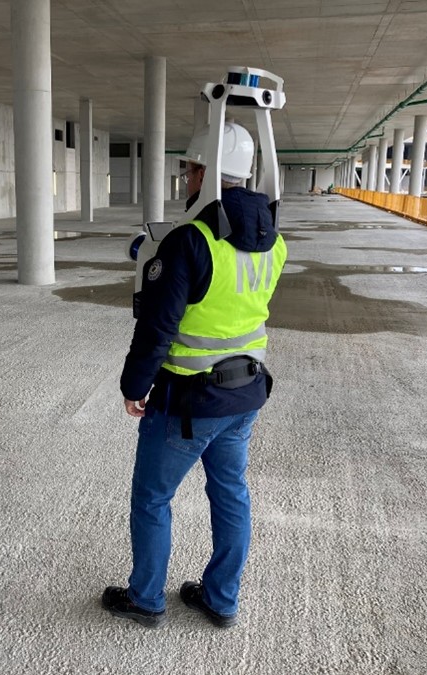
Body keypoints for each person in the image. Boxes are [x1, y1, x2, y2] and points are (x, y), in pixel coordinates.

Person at [102, 122, 287, 628]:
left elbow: (158, 327)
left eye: (188, 169)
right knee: (230, 493)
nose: (185, 177)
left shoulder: (192, 240)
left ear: (202, 172)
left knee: (153, 498)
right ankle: (221, 599)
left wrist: (134, 386)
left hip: (188, 400)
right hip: (245, 391)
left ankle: (145, 600)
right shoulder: (276, 242)